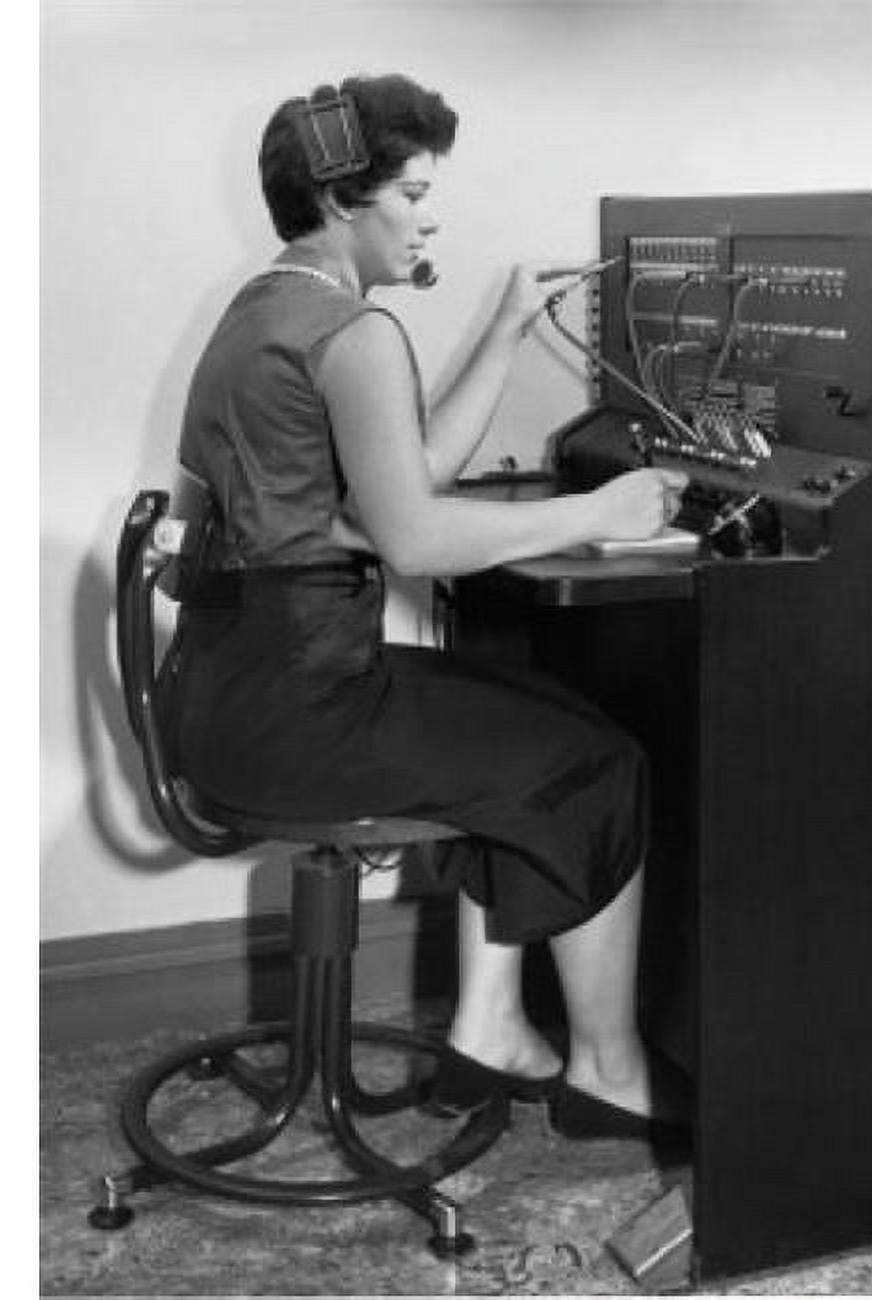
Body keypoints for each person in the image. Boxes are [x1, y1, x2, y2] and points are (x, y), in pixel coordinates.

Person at [159, 74, 689, 1141]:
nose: (429, 212)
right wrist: (604, 506)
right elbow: (413, 538)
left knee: (520, 713)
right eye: (412, 189)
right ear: (342, 200)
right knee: (597, 760)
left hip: (227, 696)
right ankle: (608, 1069)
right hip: (301, 714)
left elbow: (408, 476)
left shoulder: (267, 309)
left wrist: (503, 330)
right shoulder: (350, 335)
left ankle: (494, 1028)